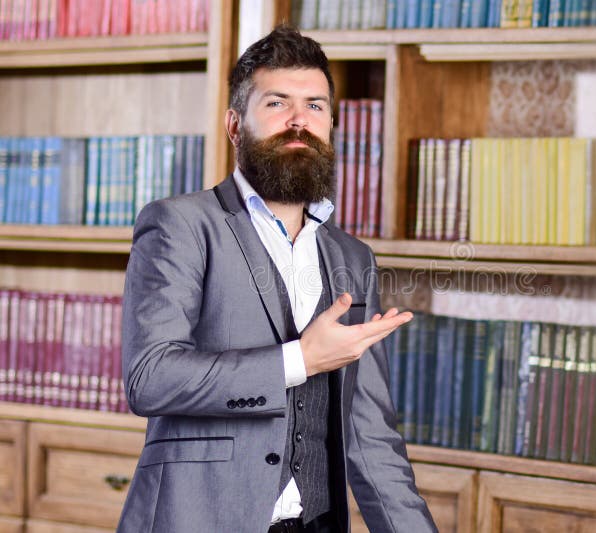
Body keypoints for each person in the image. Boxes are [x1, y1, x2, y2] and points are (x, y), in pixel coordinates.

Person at [117, 25, 437, 533]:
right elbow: (149, 379)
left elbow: (370, 435)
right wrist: (300, 359)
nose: (298, 122)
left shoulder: (353, 257)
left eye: (315, 106)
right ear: (234, 124)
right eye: (276, 103)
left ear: (332, 123)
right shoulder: (179, 225)